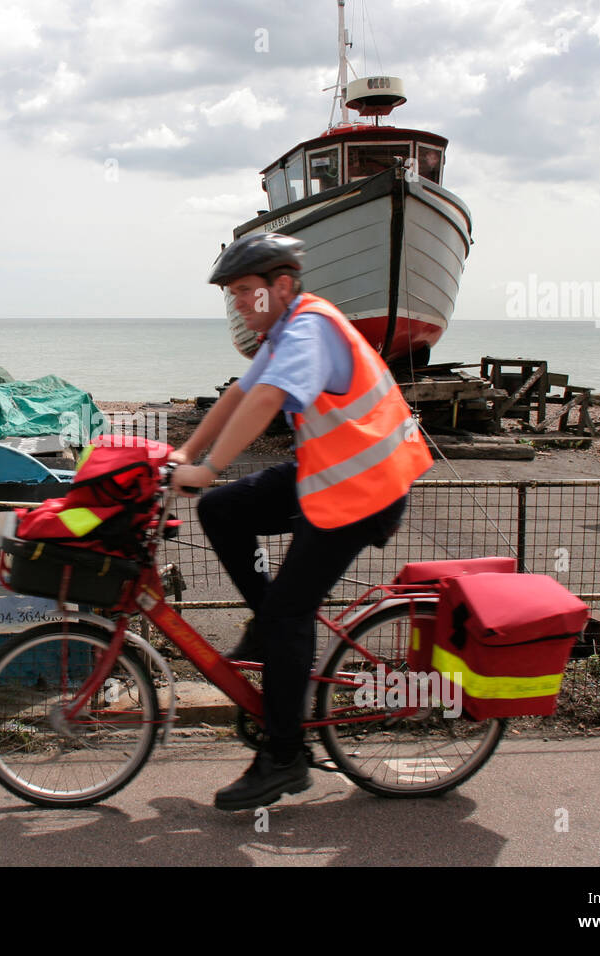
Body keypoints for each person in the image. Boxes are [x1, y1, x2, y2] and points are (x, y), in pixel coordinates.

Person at [170, 232, 433, 811]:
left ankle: (285, 759)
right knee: (220, 510)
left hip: (365, 492)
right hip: (328, 477)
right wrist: (188, 455)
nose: (237, 301)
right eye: (233, 292)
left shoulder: (310, 327)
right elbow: (241, 393)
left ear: (281, 286)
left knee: (292, 612)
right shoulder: (283, 330)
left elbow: (267, 401)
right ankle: (269, 628)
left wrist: (211, 465)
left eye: (244, 290)